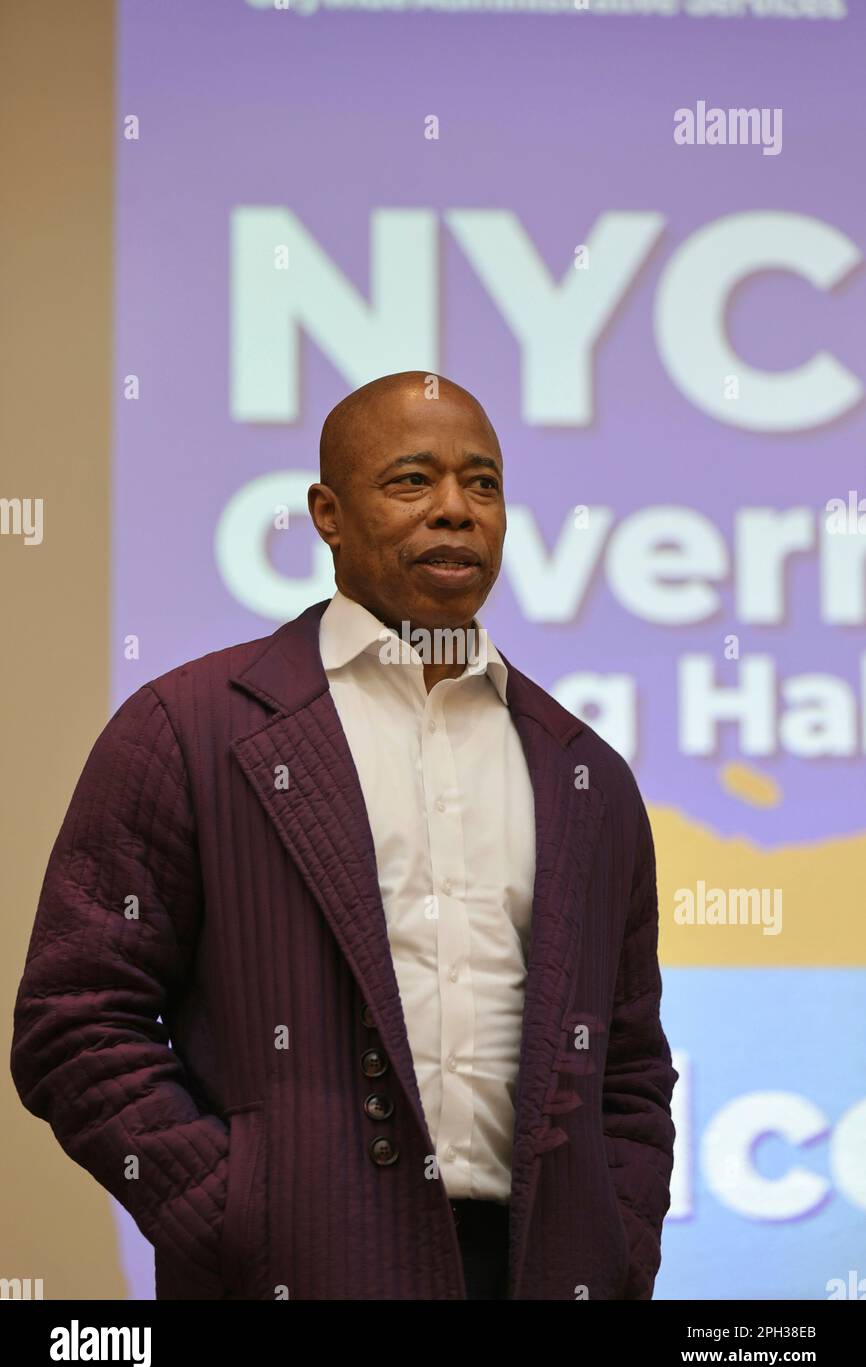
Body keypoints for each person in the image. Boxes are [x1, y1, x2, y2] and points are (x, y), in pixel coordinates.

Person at [11, 370, 678, 1300]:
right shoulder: (190, 727)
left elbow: (631, 1063)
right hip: (298, 1268)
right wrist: (236, 1214)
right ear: (326, 513)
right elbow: (75, 1020)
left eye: (482, 484)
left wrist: (618, 1239)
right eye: (413, 481)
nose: (455, 509)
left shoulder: (586, 772)